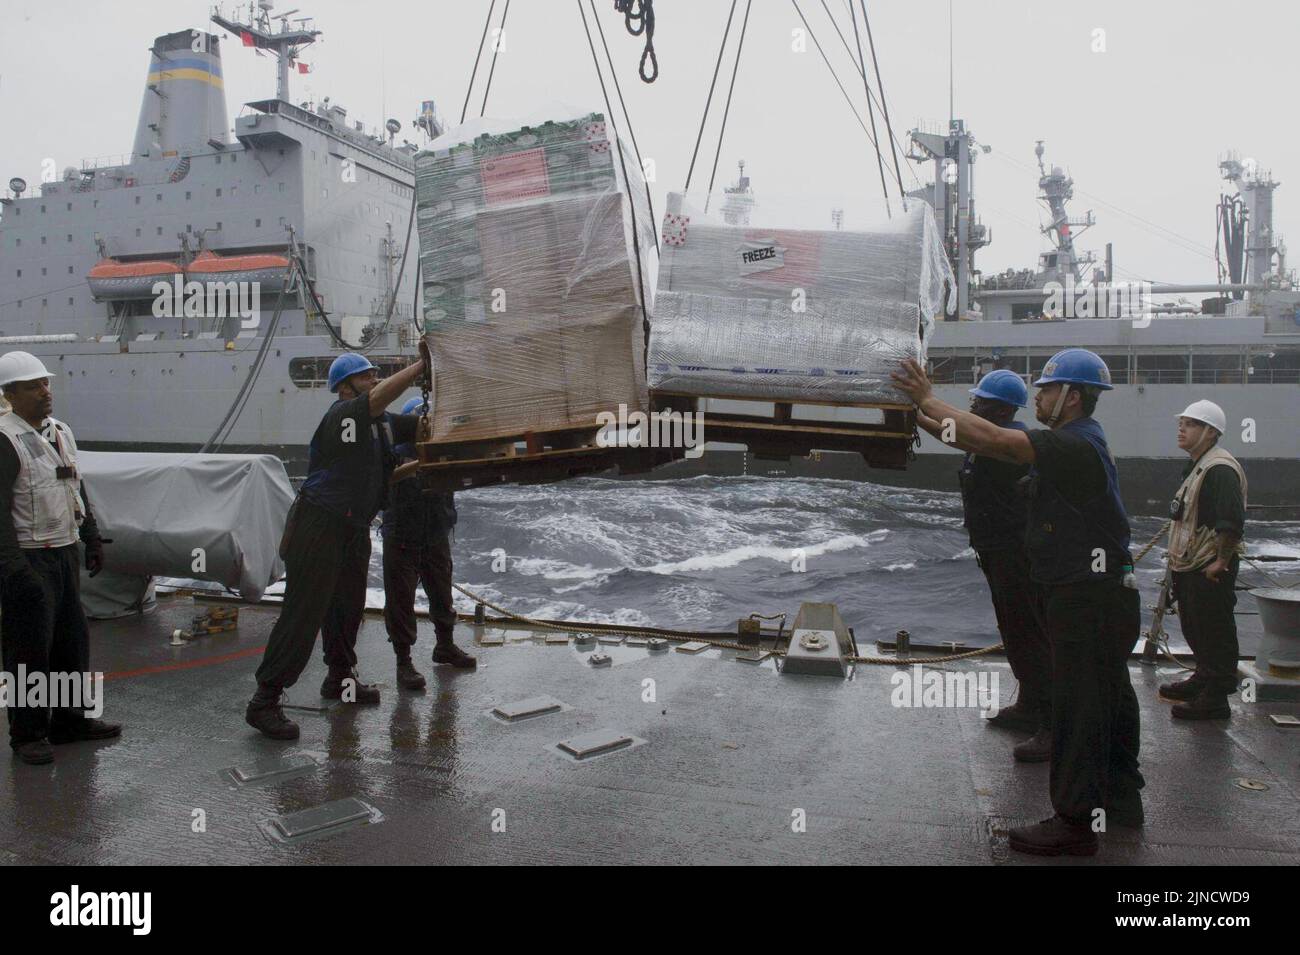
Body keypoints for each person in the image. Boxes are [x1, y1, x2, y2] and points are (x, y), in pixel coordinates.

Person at [893, 348, 1143, 856]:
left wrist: (927, 397)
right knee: (1110, 698)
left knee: (1077, 708)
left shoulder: (1073, 444)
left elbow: (996, 442)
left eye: (1048, 390)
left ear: (1072, 397)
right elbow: (975, 438)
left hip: (1085, 597)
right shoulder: (1079, 440)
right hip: (1100, 594)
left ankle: (1074, 824)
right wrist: (919, 412)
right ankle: (1119, 799)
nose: (1040, 397)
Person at [245, 352, 428, 740]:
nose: (376, 380)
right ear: (345, 388)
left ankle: (340, 680)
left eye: (377, 374)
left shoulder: (384, 426)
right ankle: (265, 700)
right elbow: (374, 403)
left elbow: (410, 445)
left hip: (352, 526)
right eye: (367, 377)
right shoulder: (342, 416)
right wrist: (419, 367)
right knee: (304, 612)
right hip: (320, 524)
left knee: (347, 607)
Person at [917, 369, 1051, 761]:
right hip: (995, 551)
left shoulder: (1010, 444)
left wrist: (922, 406)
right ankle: (1029, 704)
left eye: (981, 401)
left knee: (1031, 633)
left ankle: (1049, 723)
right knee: (1014, 629)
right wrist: (915, 416)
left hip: (1016, 555)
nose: (973, 404)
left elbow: (962, 433)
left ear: (1003, 409)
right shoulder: (985, 441)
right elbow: (951, 434)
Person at [0, 350, 120, 765]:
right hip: (30, 559)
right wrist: (15, 570)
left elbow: (74, 485)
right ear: (10, 394)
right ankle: (27, 735)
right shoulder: (5, 439)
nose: (44, 391)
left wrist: (90, 537)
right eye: (33, 386)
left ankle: (69, 722)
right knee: (28, 651)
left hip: (64, 551)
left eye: (46, 383)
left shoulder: (60, 431)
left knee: (71, 643)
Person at [1159, 400, 1246, 720]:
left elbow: (1231, 521)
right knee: (1195, 626)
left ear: (1211, 432)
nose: (1181, 428)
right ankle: (1204, 677)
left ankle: (1217, 697)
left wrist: (1220, 562)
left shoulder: (1219, 469)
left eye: (1191, 424)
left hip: (1209, 566)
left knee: (1214, 628)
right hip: (1192, 563)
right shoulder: (1200, 464)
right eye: (1182, 422)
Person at [382, 396, 475, 691]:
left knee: (441, 593)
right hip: (402, 537)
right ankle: (403, 662)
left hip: (435, 534)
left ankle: (444, 646)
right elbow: (382, 483)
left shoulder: (442, 453)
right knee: (400, 601)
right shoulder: (394, 457)